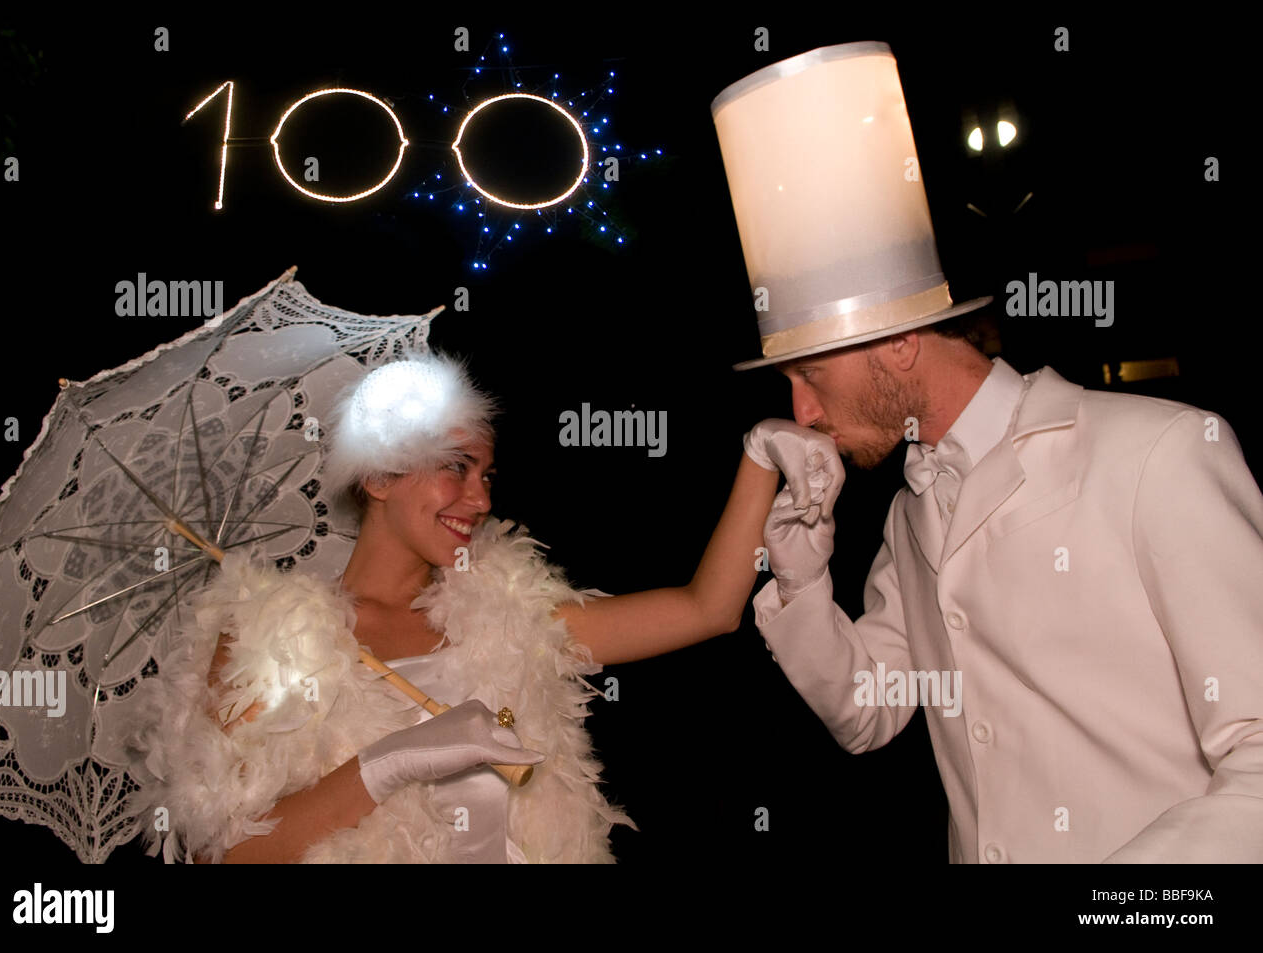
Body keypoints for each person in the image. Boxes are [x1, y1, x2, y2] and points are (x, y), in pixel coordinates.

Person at [710, 41, 1263, 862]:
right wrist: (802, 584)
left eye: (811, 374)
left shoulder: (1161, 454)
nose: (800, 410)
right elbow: (871, 711)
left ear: (898, 347)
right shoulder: (908, 513)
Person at [129, 350, 786, 863]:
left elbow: (708, 608)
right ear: (379, 475)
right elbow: (220, 851)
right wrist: (391, 762)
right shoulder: (271, 639)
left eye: (486, 474)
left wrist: (761, 455)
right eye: (455, 466)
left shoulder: (512, 612)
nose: (479, 499)